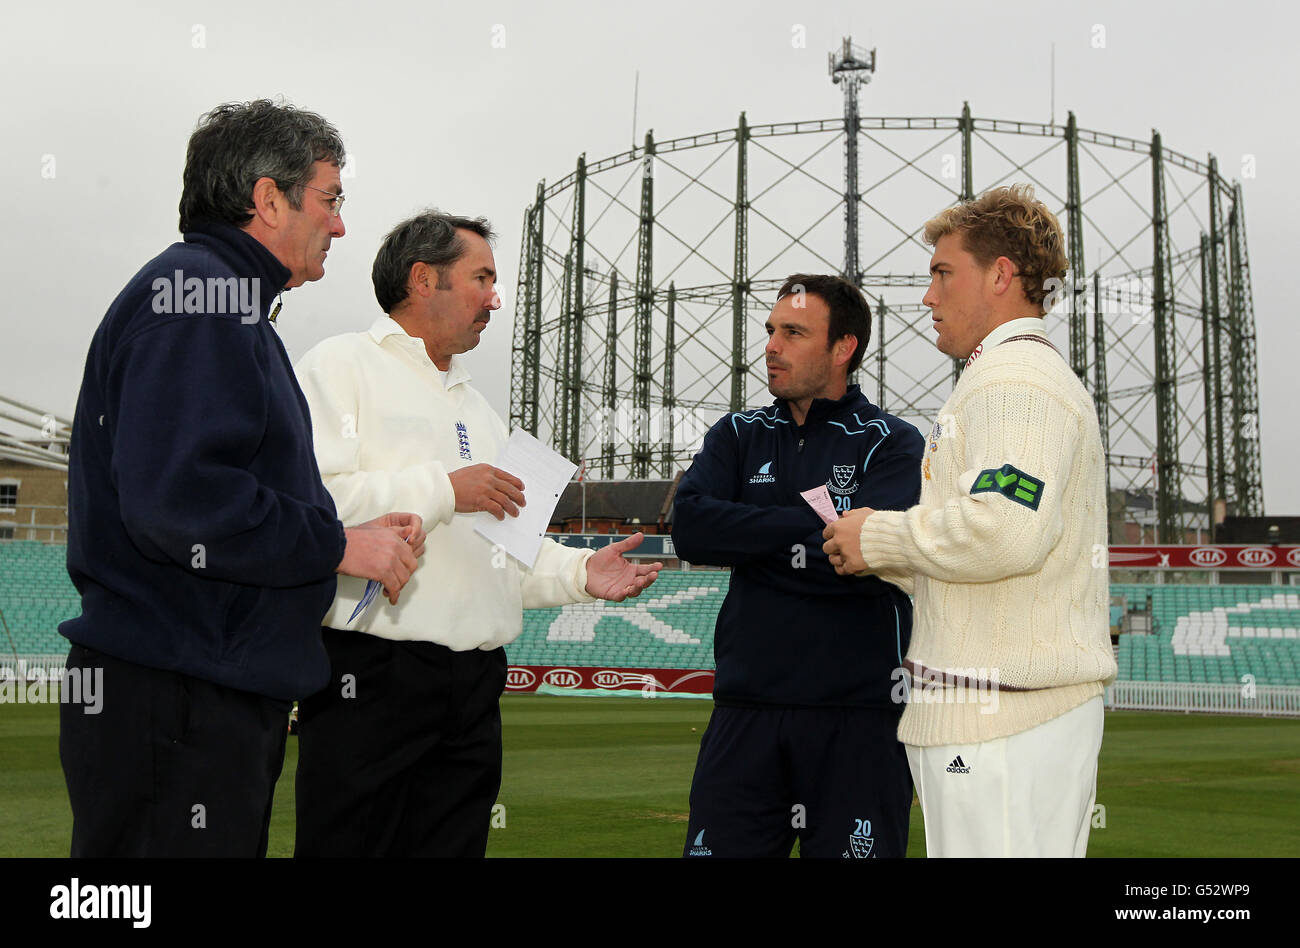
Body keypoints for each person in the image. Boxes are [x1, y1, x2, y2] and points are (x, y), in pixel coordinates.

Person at [59, 100, 423, 858]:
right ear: (267, 199)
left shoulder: (225, 301)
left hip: (195, 687)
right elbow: (180, 501)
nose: (341, 224)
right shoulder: (201, 295)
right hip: (180, 693)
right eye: (330, 199)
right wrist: (335, 543)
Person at [292, 210, 663, 857]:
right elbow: (312, 507)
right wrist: (443, 488)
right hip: (369, 679)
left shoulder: (480, 409)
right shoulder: (340, 365)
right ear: (422, 279)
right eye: (482, 278)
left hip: (472, 689)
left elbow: (507, 549)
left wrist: (579, 572)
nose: (495, 298)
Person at [822, 184, 1117, 857]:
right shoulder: (1010, 377)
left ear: (1002, 275)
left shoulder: (1016, 381)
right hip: (995, 712)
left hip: (1004, 716)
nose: (929, 296)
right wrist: (884, 552)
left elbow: (1005, 531)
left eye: (943, 273)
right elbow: (987, 545)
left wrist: (883, 535)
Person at [672, 273, 925, 858]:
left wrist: (748, 536)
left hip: (858, 719)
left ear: (843, 348)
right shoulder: (737, 433)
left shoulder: (893, 443)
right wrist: (819, 528)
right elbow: (691, 529)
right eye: (770, 331)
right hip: (745, 713)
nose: (771, 346)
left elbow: (863, 556)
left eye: (793, 332)